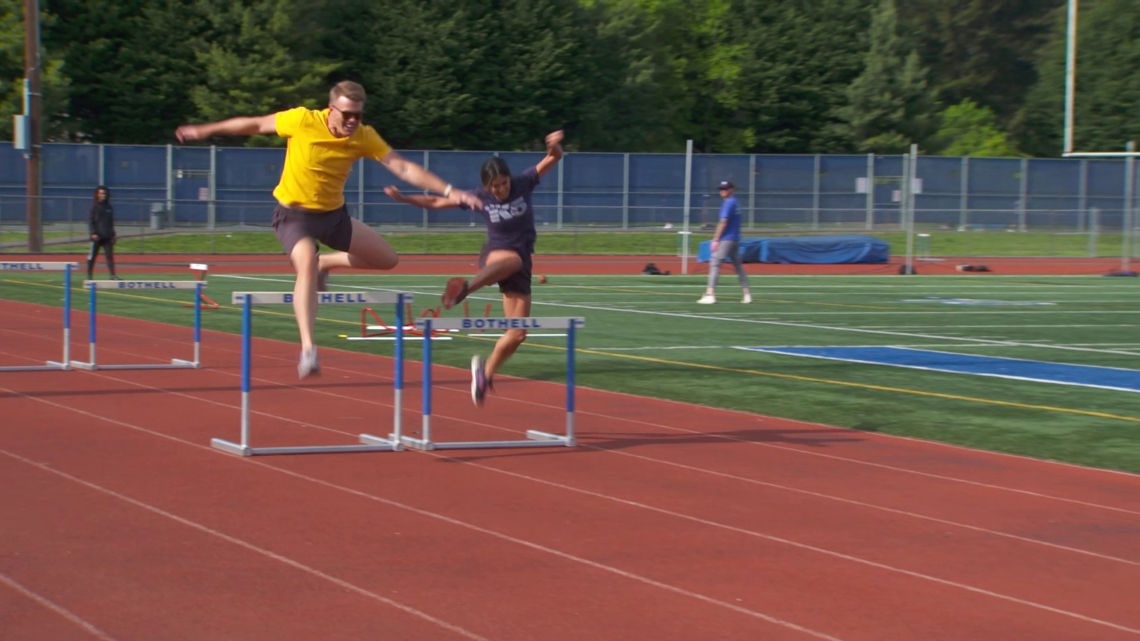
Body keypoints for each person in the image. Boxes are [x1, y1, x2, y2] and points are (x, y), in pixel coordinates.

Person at [174, 81, 481, 379]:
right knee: (305, 261)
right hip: (293, 215)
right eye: (346, 114)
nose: (352, 121)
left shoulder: (363, 136)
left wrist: (451, 190)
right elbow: (253, 125)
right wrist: (205, 130)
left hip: (334, 216)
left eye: (357, 115)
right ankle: (308, 348)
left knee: (388, 259)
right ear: (330, 109)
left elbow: (402, 167)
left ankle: (328, 262)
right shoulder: (302, 120)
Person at [383, 130, 564, 407]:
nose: (500, 190)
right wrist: (406, 199)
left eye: (503, 184)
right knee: (511, 260)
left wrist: (553, 146)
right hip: (495, 255)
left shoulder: (523, 182)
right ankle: (465, 289)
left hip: (522, 261)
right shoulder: (479, 197)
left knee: (518, 332)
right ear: (486, 186)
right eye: (495, 187)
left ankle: (485, 373)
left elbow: (553, 158)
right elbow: (435, 202)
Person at [698, 180, 752, 304]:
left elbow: (723, 222)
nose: (722, 191)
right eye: (721, 189)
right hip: (735, 238)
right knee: (738, 267)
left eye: (725, 189)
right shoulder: (736, 202)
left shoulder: (728, 203)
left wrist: (716, 239)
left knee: (715, 263)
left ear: (731, 190)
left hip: (727, 239)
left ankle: (710, 294)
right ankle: (747, 294)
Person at [87, 185, 120, 281]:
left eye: (104, 193)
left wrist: (113, 234)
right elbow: (90, 221)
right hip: (97, 236)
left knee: (109, 257)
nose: (103, 195)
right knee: (92, 256)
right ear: (97, 194)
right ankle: (89, 275)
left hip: (107, 236)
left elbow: (111, 222)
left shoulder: (109, 207)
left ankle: (113, 276)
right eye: (101, 193)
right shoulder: (94, 207)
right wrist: (93, 233)